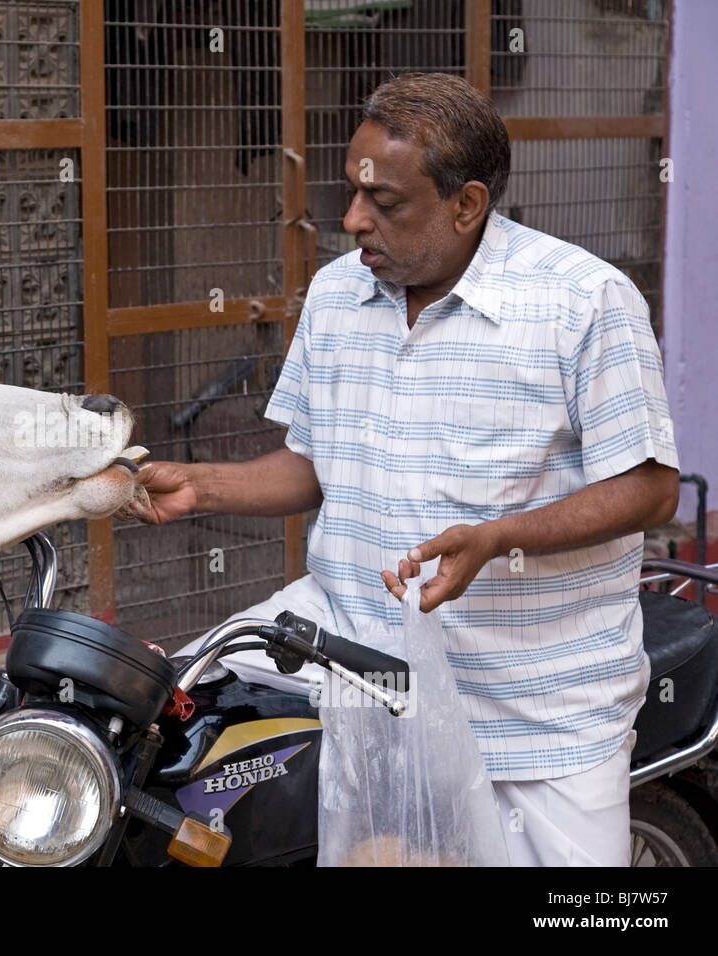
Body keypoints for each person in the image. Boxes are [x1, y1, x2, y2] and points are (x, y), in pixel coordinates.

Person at [135, 72, 680, 866]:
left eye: (384, 204)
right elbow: (312, 468)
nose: (353, 220)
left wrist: (497, 538)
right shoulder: (335, 296)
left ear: (466, 205)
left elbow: (651, 488)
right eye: (351, 194)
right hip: (357, 672)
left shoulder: (584, 303)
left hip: (532, 707)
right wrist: (203, 486)